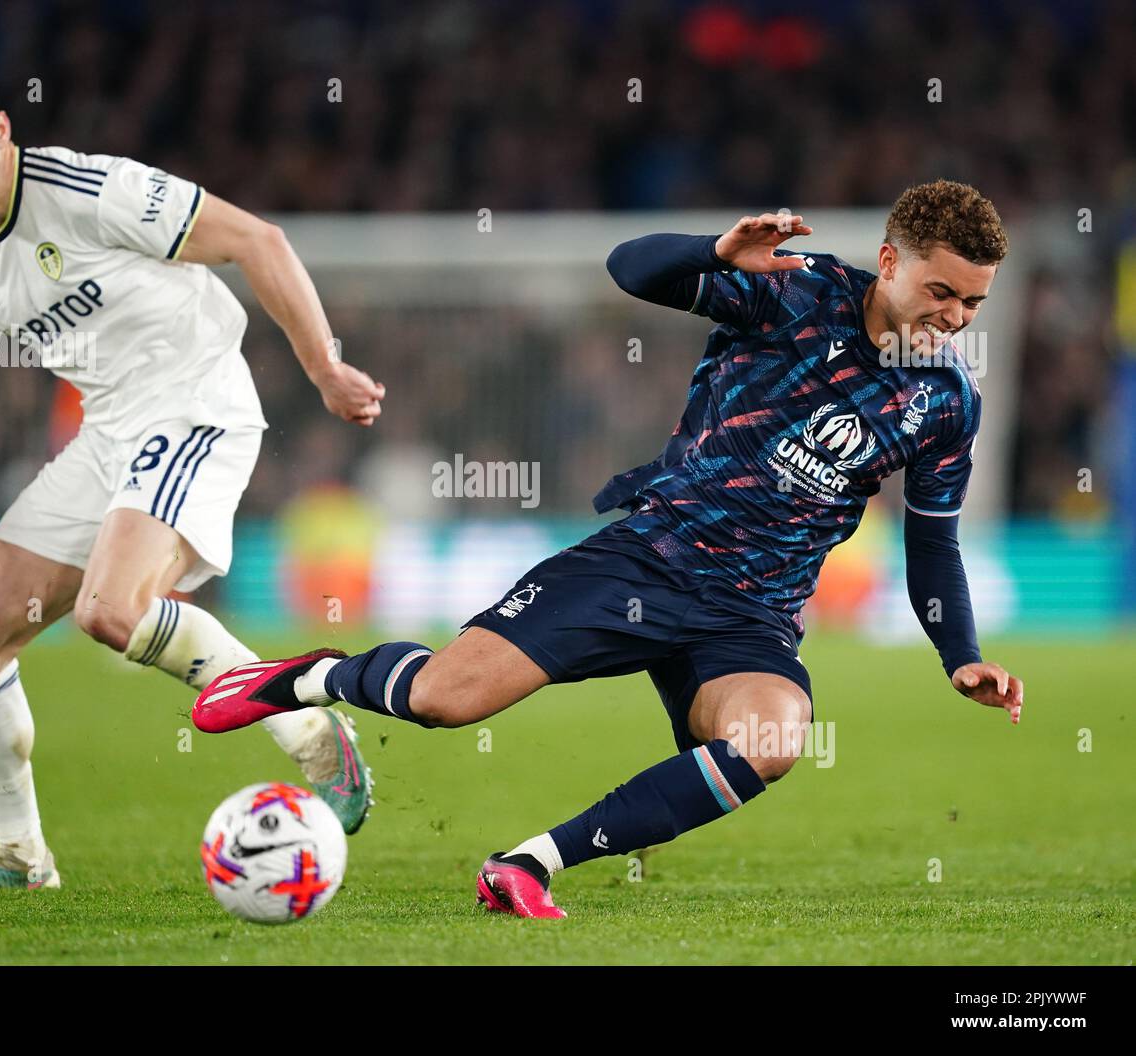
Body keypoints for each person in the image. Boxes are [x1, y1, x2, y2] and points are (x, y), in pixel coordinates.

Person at [191, 182, 1025, 919]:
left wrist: (962, 655)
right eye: (941, 291)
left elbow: (933, 544)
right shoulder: (795, 291)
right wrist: (715, 252)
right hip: (646, 559)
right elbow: (630, 267)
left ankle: (527, 866)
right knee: (445, 701)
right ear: (889, 261)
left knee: (772, 743)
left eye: (974, 305)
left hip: (752, 615)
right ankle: (299, 678)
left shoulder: (946, 401)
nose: (953, 318)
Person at [0, 47, 385, 890]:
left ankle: (308, 726)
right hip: (109, 433)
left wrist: (325, 366)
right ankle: (22, 855)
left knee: (111, 611)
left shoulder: (86, 190)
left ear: (1, 130)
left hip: (197, 402)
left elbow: (257, 240)